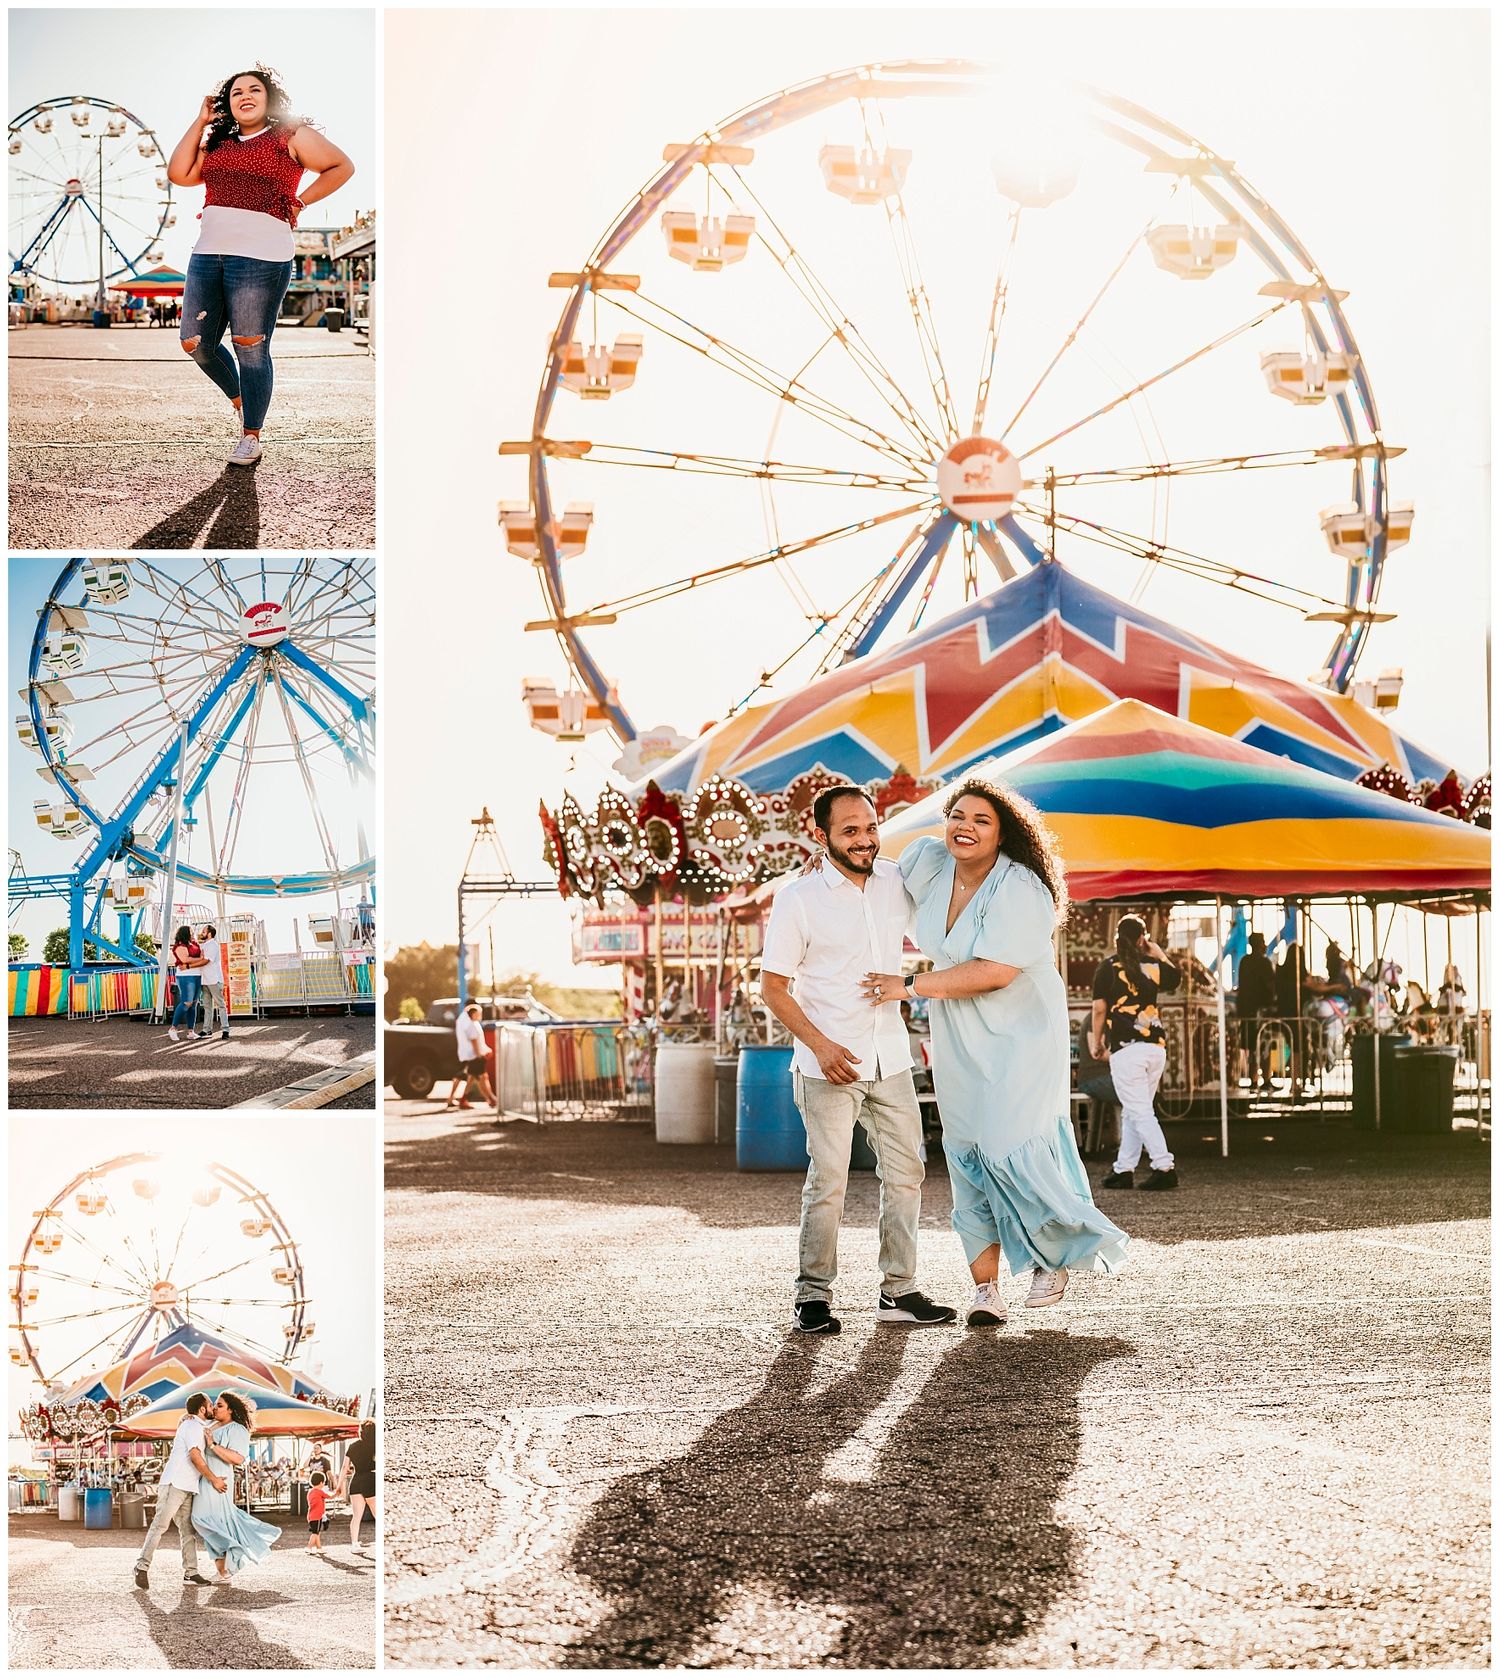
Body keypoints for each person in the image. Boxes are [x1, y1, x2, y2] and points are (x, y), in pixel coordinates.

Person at [863, 781, 1127, 1326]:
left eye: (981, 820)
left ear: (1004, 832)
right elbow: (870, 890)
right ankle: (985, 1291)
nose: (964, 826)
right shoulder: (929, 863)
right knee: (967, 1155)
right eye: (957, 815)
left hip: (1022, 1029)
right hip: (958, 1028)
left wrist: (907, 986)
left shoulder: (1022, 885)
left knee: (1012, 1144)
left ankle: (1054, 1258)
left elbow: (995, 972)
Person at [761, 785, 955, 1335]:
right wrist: (820, 1046)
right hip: (827, 1063)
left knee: (909, 1173)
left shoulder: (896, 879)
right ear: (820, 837)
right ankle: (813, 1296)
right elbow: (773, 988)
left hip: (889, 1055)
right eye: (850, 831)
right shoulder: (796, 899)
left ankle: (898, 1291)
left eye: (870, 828)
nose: (865, 840)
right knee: (829, 1181)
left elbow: (938, 935)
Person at [166, 64, 354, 467]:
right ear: (226, 104)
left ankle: (251, 435)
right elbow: (179, 174)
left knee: (250, 348)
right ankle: (242, 401)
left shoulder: (290, 134)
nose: (245, 96)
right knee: (195, 343)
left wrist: (301, 201)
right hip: (208, 252)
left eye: (254, 89)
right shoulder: (216, 143)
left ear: (269, 98)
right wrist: (200, 122)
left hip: (263, 256)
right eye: (236, 92)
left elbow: (342, 166)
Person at [1093, 914, 1182, 1190]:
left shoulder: (1107, 967)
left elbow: (1099, 1009)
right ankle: (1124, 1168)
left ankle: (1164, 1165)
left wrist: (1097, 1041)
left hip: (1126, 1048)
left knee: (1139, 1111)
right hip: (1155, 1046)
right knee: (1134, 1110)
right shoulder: (1152, 965)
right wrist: (1156, 951)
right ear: (1143, 939)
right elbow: (1174, 978)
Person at [132, 1392, 221, 1589]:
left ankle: (191, 1573)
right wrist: (213, 1479)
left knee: (188, 1531)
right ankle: (141, 1566)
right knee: (160, 1526)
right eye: (210, 1404)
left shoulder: (197, 1425)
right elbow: (196, 1457)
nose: (213, 1407)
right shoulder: (191, 1426)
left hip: (187, 1486)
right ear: (201, 1409)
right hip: (175, 1484)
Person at [192, 1390, 280, 1581]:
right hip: (205, 1478)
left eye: (220, 1405)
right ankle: (223, 1570)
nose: (215, 1408)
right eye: (214, 1404)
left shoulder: (237, 1429)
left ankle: (234, 1550)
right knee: (213, 1521)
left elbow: (238, 1458)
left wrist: (213, 1445)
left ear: (231, 1410)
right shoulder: (210, 1424)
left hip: (220, 1479)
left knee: (201, 1519)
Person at [1235, 932, 1277, 1092]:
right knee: (1265, 1044)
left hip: (1246, 1010)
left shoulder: (1244, 962)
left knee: (1252, 1046)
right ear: (1260, 945)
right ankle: (1266, 1078)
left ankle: (1253, 1078)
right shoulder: (1265, 963)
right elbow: (1270, 985)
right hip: (1262, 1010)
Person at [445, 1000, 496, 1109]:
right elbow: (473, 1039)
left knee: (470, 1076)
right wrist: (479, 1054)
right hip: (471, 1055)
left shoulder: (464, 1020)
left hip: (468, 1054)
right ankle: (490, 1099)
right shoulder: (469, 1022)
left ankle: (460, 1098)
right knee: (478, 1076)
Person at [341, 1417, 378, 1557]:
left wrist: (339, 1486)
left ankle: (355, 1544)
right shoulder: (375, 1445)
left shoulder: (352, 1446)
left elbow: (345, 1468)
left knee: (356, 1516)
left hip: (356, 1480)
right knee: (377, 1514)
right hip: (371, 1478)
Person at [167, 923, 206, 1043]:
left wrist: (192, 964)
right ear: (185, 933)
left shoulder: (194, 943)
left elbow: (190, 960)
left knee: (194, 1003)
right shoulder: (180, 946)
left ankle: (190, 1031)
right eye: (190, 931)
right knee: (186, 1002)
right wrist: (200, 959)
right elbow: (185, 959)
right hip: (185, 976)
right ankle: (173, 1028)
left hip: (197, 975)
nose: (193, 933)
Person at [198, 923, 231, 1040]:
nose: (201, 933)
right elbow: (200, 958)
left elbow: (206, 960)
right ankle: (207, 1030)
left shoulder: (213, 945)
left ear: (209, 933)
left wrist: (192, 963)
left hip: (214, 979)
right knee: (207, 1006)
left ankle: (225, 1029)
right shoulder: (204, 945)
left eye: (203, 931)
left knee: (221, 1005)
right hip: (205, 979)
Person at [305, 1471, 329, 1554]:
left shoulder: (310, 1492)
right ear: (321, 1482)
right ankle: (309, 1547)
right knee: (315, 1533)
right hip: (317, 1516)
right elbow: (329, 1497)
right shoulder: (320, 1492)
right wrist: (337, 1493)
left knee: (317, 1532)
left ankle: (319, 1548)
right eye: (324, 1483)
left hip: (311, 1516)